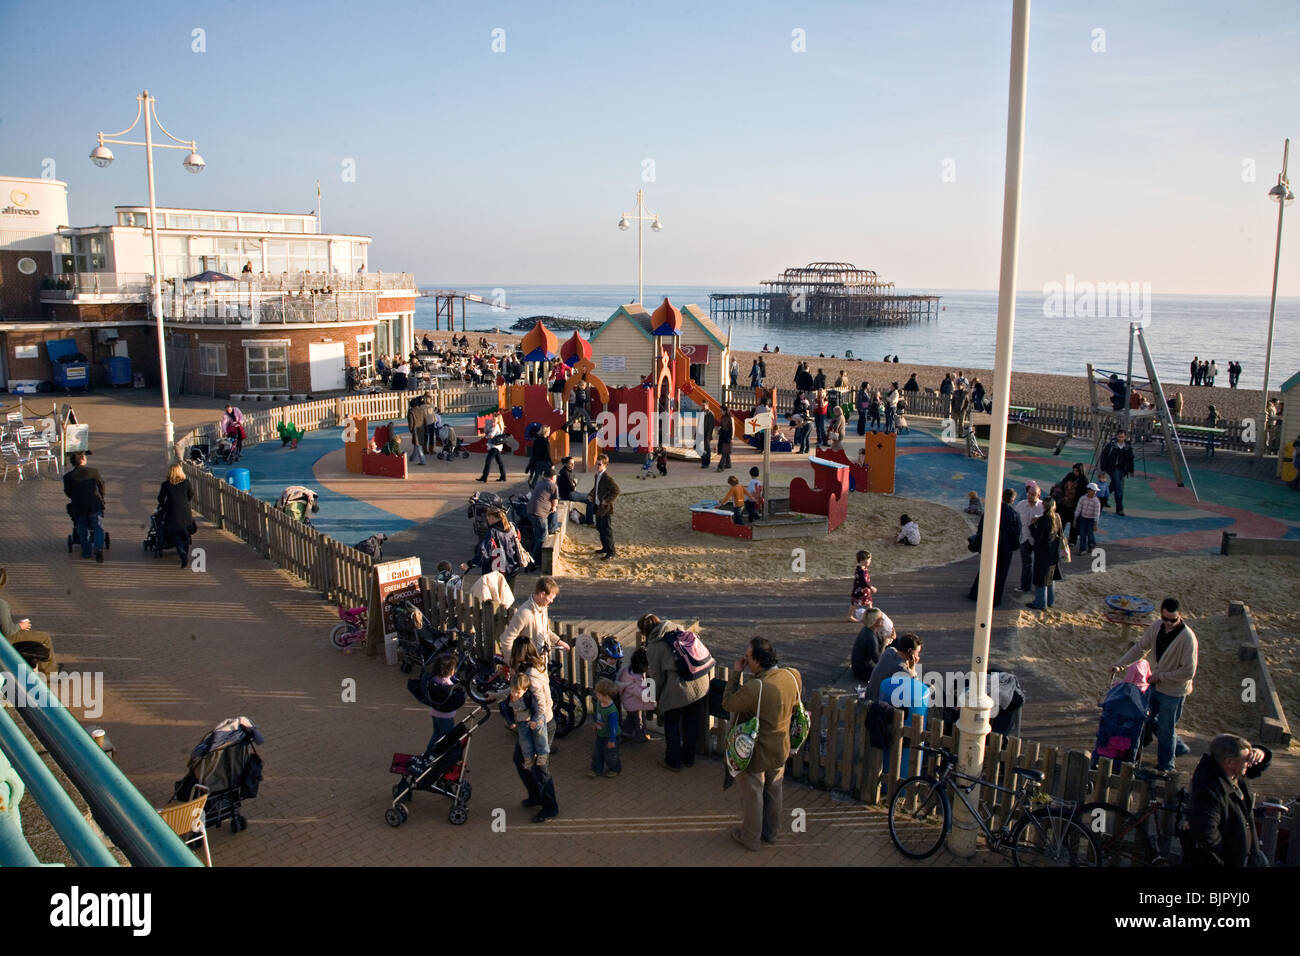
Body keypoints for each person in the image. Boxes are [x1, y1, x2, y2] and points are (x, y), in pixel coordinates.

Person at [722, 637, 803, 851]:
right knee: (774, 790)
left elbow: (728, 703)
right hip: (781, 746)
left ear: (758, 661)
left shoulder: (755, 687)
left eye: (748, 658)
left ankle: (750, 837)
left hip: (756, 752)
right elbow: (795, 705)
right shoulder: (792, 676)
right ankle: (771, 833)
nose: (746, 661)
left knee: (753, 795)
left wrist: (737, 672)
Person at [1112, 597, 1198, 772]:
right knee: (1145, 720)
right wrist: (1121, 664)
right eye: (1165, 619)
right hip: (1155, 686)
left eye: (1172, 620)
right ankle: (1142, 755)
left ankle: (1166, 766)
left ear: (1180, 616)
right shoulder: (1157, 626)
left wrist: (1161, 677)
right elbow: (1141, 647)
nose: (1168, 623)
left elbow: (1188, 672)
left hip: (1173, 691)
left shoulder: (1188, 638)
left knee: (1166, 728)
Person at [1187, 735, 1272, 867]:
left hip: (1250, 856)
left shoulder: (1234, 773)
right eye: (1246, 760)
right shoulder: (1209, 789)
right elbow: (1206, 834)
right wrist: (1232, 853)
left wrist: (1260, 753)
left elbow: (1259, 766)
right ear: (1229, 762)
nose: (1249, 764)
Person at [641, 616, 713, 771]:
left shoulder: (654, 646)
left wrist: (658, 697)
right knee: (691, 722)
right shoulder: (679, 629)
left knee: (671, 724)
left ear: (645, 632)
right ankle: (689, 758)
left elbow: (657, 677)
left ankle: (673, 762)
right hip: (701, 683)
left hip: (679, 688)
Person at [506, 639, 559, 823]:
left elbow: (541, 705)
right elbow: (517, 690)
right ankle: (536, 795)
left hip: (540, 726)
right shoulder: (528, 670)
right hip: (529, 725)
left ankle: (550, 807)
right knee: (520, 758)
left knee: (540, 767)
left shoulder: (533, 675)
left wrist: (535, 722)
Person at [966, 487, 1021, 608]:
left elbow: (981, 526)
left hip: (990, 544)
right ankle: (995, 598)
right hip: (1005, 548)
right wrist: (1013, 546)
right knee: (1001, 574)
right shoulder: (1014, 515)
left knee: (985, 569)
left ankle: (976, 593)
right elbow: (1016, 534)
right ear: (1012, 500)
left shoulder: (992, 509)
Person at [497, 576, 569, 658]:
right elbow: (506, 640)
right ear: (542, 594)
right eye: (550, 598)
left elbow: (544, 629)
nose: (551, 601)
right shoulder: (524, 613)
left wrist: (558, 641)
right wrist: (512, 663)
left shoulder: (543, 607)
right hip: (528, 664)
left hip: (540, 662)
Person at [461, 508, 525, 588]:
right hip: (512, 568)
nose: (487, 520)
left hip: (496, 570)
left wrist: (470, 564)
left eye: (488, 517)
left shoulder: (492, 532)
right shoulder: (512, 527)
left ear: (494, 518)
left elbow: (483, 552)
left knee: (493, 596)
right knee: (508, 596)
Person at [63, 451, 107, 562]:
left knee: (82, 529)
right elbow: (101, 485)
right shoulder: (93, 472)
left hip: (78, 506)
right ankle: (98, 548)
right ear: (83, 459)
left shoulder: (68, 477)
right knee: (98, 527)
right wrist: (101, 496)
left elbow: (68, 492)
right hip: (94, 504)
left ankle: (86, 552)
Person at [422, 654, 466, 763]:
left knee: (436, 733)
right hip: (446, 716)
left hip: (434, 713)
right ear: (450, 670)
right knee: (447, 738)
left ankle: (428, 753)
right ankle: (441, 758)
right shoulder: (448, 684)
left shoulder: (433, 679)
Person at [1026, 498, 1069, 609]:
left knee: (1041, 579)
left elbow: (1037, 537)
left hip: (1043, 553)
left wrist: (1031, 525)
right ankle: (1050, 600)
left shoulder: (1044, 520)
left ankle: (1040, 603)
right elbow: (1060, 533)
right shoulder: (1057, 517)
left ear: (1043, 506)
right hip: (1053, 552)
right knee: (1050, 577)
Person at [866, 632, 922, 706]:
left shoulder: (889, 651)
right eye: (917, 653)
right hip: (878, 706)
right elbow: (915, 688)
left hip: (868, 697)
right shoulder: (903, 670)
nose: (918, 655)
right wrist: (913, 666)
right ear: (910, 652)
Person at [157, 463, 196, 569]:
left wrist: (165, 506)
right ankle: (185, 553)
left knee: (176, 535)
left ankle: (182, 553)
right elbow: (191, 494)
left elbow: (160, 498)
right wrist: (185, 502)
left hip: (172, 512)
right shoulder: (186, 483)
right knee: (185, 534)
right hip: (185, 512)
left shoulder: (166, 485)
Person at [616, 647, 654, 742]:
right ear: (642, 666)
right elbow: (640, 693)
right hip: (633, 703)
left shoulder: (628, 671)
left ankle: (625, 733)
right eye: (647, 666)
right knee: (638, 721)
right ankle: (641, 737)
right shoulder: (634, 679)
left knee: (630, 718)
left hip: (629, 701)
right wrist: (650, 694)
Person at [1012, 481, 1043, 592]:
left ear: (1038, 495)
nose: (1029, 496)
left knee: (1039, 564)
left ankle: (1038, 587)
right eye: (1029, 493)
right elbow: (1014, 518)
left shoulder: (1042, 507)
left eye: (1032, 494)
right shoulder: (1021, 505)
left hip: (1038, 540)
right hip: (1024, 538)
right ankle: (1025, 585)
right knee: (1026, 564)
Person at [526, 466, 559, 567]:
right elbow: (555, 503)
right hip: (540, 514)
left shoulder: (539, 483)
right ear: (553, 477)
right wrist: (553, 508)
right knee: (542, 537)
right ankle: (535, 561)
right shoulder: (553, 486)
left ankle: (532, 556)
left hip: (530, 511)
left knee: (537, 534)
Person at [588, 678, 622, 778]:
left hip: (611, 736)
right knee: (597, 753)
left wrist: (612, 740)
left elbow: (613, 727)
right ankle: (596, 769)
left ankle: (615, 768)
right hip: (601, 734)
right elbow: (597, 715)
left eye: (598, 694)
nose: (596, 696)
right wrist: (596, 724)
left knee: (611, 755)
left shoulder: (612, 711)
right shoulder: (600, 703)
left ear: (606, 696)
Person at [850, 607, 895, 681]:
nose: (883, 620)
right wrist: (885, 643)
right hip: (863, 670)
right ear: (875, 621)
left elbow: (880, 640)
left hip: (858, 665)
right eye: (880, 618)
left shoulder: (869, 629)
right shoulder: (870, 637)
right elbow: (879, 660)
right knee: (893, 672)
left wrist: (888, 639)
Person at [589, 453, 620, 559]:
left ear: (605, 465)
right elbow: (596, 488)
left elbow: (616, 491)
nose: (597, 466)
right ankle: (605, 547)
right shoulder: (597, 475)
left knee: (606, 530)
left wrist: (606, 501)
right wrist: (591, 494)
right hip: (597, 506)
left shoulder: (607, 478)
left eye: (599, 464)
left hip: (605, 509)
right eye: (596, 463)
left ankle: (611, 552)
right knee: (599, 527)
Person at [1099, 429, 1135, 516]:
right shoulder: (1111, 445)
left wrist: (1131, 470)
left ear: (1125, 437)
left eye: (1122, 437)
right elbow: (1104, 456)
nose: (1121, 439)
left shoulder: (1127, 447)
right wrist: (1103, 468)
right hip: (1113, 468)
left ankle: (1103, 499)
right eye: (1119, 437)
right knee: (1119, 488)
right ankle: (1119, 508)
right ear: (1116, 436)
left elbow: (1131, 459)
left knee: (1113, 485)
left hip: (1123, 469)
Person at [476, 411, 508, 482]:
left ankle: (484, 477)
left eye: (493, 421)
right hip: (498, 446)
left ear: (497, 420)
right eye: (492, 421)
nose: (492, 422)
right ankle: (503, 476)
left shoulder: (496, 426)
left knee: (488, 461)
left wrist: (487, 435)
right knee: (500, 462)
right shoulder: (501, 425)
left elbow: (491, 435)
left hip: (494, 447)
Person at [849, 549, 877, 621]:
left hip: (863, 590)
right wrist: (871, 587)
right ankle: (850, 616)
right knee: (855, 603)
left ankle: (871, 616)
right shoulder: (861, 570)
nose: (870, 561)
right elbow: (863, 582)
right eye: (869, 559)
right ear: (863, 560)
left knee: (868, 603)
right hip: (860, 590)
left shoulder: (862, 569)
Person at [1075, 481, 1101, 554]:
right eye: (1094, 491)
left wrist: (1095, 523)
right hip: (1083, 518)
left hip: (1091, 520)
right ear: (1089, 490)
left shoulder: (1096, 501)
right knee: (1082, 534)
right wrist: (1075, 518)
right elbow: (1078, 508)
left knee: (1090, 533)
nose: (1095, 492)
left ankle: (1092, 545)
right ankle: (1082, 549)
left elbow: (1097, 513)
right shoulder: (1082, 498)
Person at [406, 398, 428, 466]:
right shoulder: (422, 410)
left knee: (418, 445)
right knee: (417, 444)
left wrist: (411, 430)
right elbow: (425, 420)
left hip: (415, 430)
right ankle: (412, 458)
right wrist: (426, 429)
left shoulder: (411, 411)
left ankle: (423, 460)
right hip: (422, 428)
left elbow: (411, 422)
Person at [716, 406, 733, 472]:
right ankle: (728, 464)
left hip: (727, 436)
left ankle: (720, 467)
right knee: (726, 452)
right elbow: (721, 425)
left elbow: (732, 428)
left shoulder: (730, 418)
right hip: (722, 436)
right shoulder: (722, 417)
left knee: (724, 452)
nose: (720, 412)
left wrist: (730, 437)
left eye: (721, 411)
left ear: (725, 411)